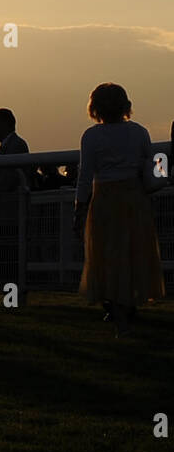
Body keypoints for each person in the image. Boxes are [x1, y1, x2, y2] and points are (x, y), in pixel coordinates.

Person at [73, 83, 164, 337]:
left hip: (104, 200)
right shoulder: (139, 132)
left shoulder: (91, 136)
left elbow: (84, 177)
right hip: (134, 198)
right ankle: (128, 307)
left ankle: (118, 315)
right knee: (133, 252)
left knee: (107, 255)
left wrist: (79, 210)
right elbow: (151, 167)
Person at [0, 108, 32, 194]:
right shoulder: (11, 145)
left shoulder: (16, 145)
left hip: (13, 201)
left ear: (4, 124)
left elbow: (8, 180)